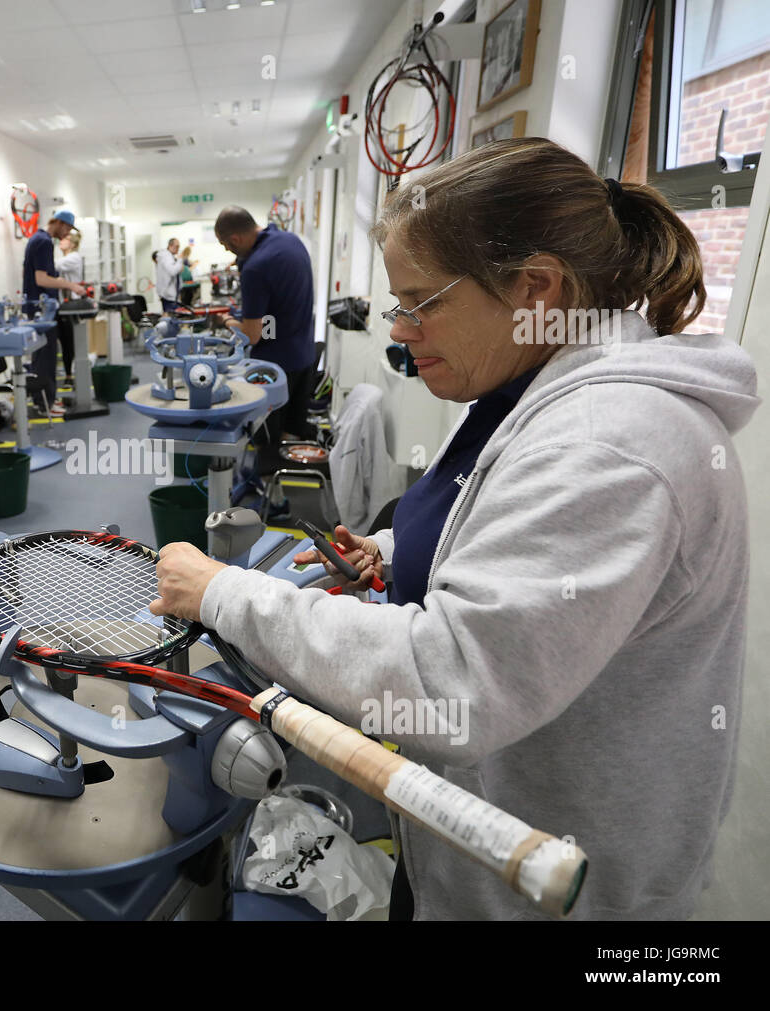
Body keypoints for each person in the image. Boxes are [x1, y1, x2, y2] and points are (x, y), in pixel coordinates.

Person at [152, 138, 758, 920]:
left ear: (535, 287)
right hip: (461, 839)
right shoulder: (523, 386)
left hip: (554, 891)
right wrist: (395, 550)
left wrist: (225, 593)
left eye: (419, 302)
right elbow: (484, 512)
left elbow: (450, 682)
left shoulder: (612, 446)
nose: (399, 329)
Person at [215, 206, 317, 486]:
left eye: (225, 246)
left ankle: (270, 498)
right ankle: (284, 493)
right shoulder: (290, 240)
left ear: (234, 239)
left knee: (266, 441)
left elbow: (251, 335)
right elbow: (280, 304)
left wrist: (226, 322)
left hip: (275, 369)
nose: (228, 252)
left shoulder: (256, 266)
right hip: (305, 356)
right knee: (290, 432)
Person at [21, 210, 87, 414]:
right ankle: (45, 404)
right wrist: (71, 286)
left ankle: (43, 400)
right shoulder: (44, 242)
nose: (67, 233)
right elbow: (42, 279)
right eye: (66, 227)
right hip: (42, 309)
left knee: (43, 356)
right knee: (46, 357)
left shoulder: (38, 239)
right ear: (57, 223)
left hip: (40, 306)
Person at [54, 230, 85, 382]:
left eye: (64, 239)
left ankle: (70, 374)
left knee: (69, 342)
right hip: (64, 305)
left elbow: (53, 266)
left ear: (72, 243)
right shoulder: (67, 257)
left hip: (71, 305)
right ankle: (68, 373)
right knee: (65, 341)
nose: (61, 241)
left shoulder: (73, 258)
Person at [154, 237, 183, 313]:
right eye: (176, 246)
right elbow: (172, 271)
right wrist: (180, 260)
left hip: (169, 294)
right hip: (168, 295)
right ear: (170, 246)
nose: (178, 249)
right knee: (171, 319)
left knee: (172, 318)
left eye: (178, 247)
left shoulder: (168, 256)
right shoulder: (166, 257)